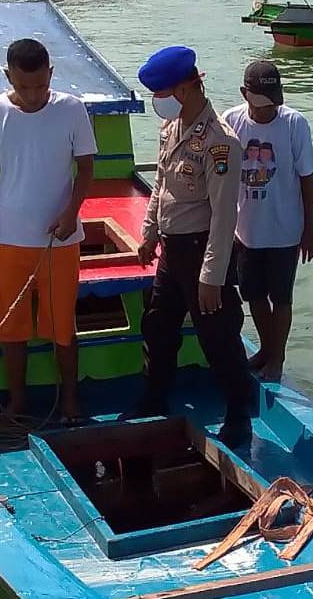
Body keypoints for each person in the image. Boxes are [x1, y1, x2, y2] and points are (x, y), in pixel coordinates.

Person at [124, 45, 252, 448]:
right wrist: (149, 232)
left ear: (182, 90)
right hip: (171, 251)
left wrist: (211, 277)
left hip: (203, 252)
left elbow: (223, 216)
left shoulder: (220, 143)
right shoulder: (172, 129)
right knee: (158, 326)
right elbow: (161, 187)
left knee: (218, 337)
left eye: (161, 95)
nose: (158, 104)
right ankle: (155, 396)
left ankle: (238, 414)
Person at [0, 38, 96, 422]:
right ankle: (18, 402)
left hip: (60, 240)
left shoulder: (72, 109)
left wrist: (72, 213)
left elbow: (86, 167)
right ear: (9, 76)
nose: (33, 94)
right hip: (8, 239)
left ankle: (71, 400)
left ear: (51, 76)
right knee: (11, 328)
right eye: (24, 86)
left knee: (63, 326)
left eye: (41, 86)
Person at [223, 60, 313, 381]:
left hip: (285, 230)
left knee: (281, 297)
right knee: (252, 294)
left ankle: (277, 358)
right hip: (245, 229)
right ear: (244, 94)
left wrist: (310, 228)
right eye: (260, 104)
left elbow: (307, 178)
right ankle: (265, 348)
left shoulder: (295, 124)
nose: (267, 111)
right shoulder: (232, 121)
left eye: (272, 103)